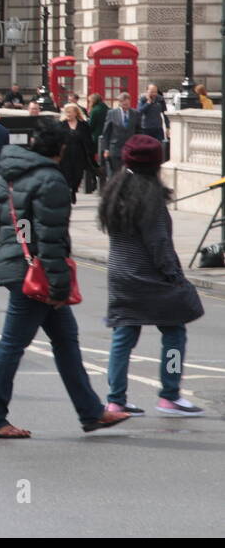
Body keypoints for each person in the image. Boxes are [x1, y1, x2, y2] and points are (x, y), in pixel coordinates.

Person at [0, 123, 131, 438]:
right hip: (36, 276)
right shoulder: (51, 181)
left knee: (66, 340)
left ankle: (91, 412)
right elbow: (50, 241)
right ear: (61, 150)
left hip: (19, 268)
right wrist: (58, 286)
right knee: (12, 344)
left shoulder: (9, 176)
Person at [98, 134, 205, 417]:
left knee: (123, 336)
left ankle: (115, 400)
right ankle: (170, 395)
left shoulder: (114, 190)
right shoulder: (151, 198)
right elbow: (159, 244)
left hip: (120, 274)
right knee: (174, 332)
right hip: (150, 277)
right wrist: (175, 276)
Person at [58, 103, 95, 202]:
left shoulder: (83, 125)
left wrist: (90, 152)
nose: (68, 114)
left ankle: (74, 189)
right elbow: (57, 139)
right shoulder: (61, 124)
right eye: (67, 112)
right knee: (66, 173)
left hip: (79, 153)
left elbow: (89, 139)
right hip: (65, 154)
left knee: (78, 175)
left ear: (75, 113)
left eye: (70, 112)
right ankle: (69, 191)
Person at [100, 91, 136, 177]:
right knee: (116, 173)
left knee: (129, 173)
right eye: (123, 103)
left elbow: (139, 131)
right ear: (119, 103)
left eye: (127, 103)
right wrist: (106, 149)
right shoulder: (111, 113)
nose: (125, 105)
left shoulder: (135, 113)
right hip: (115, 148)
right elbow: (106, 132)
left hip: (130, 149)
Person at [87, 92, 109, 188]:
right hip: (106, 137)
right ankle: (103, 175)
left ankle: (96, 175)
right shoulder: (107, 108)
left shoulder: (95, 110)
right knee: (104, 159)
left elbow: (91, 126)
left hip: (95, 138)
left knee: (89, 158)